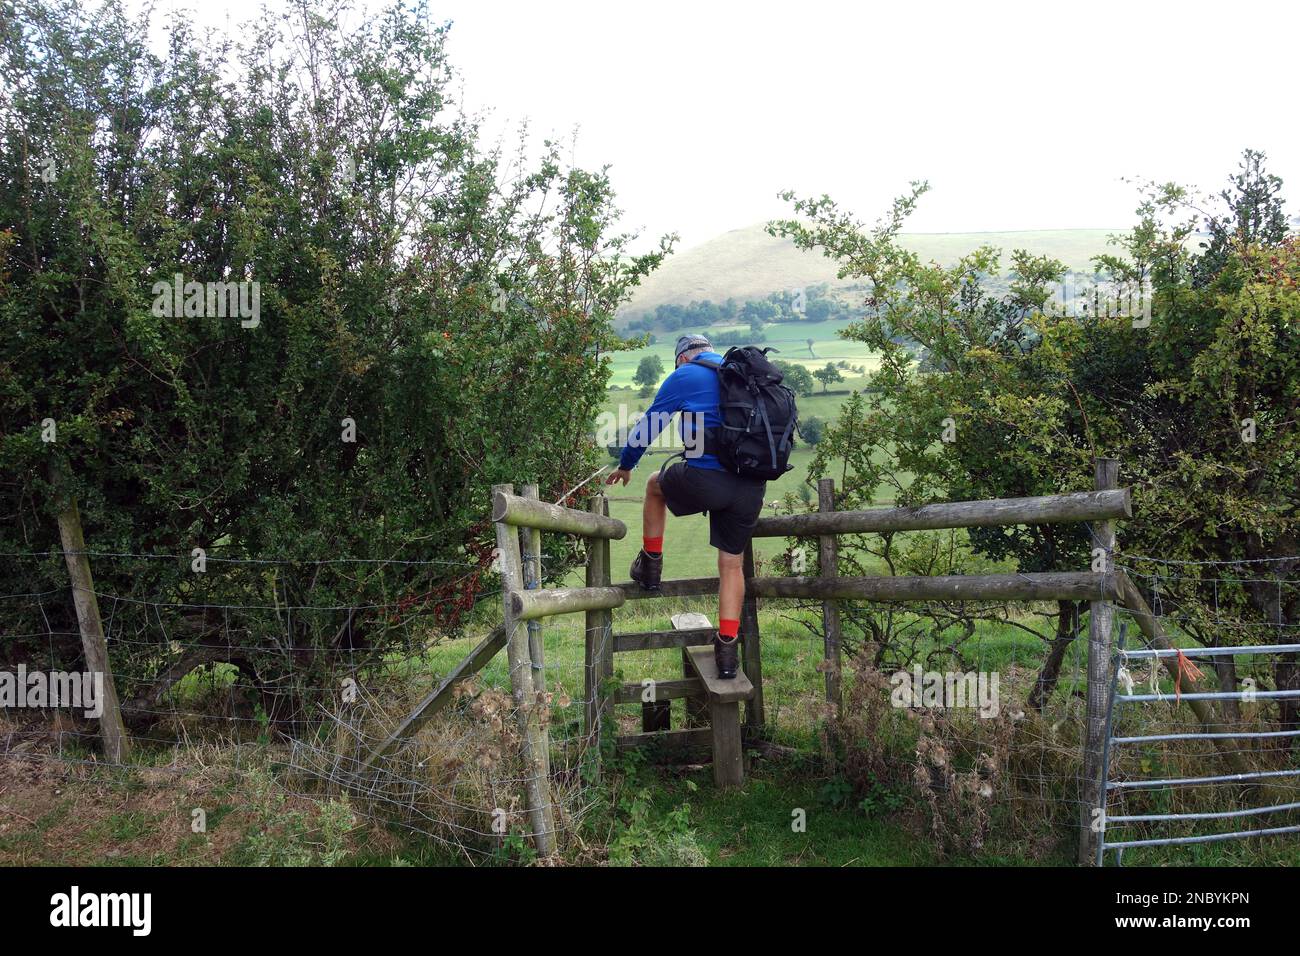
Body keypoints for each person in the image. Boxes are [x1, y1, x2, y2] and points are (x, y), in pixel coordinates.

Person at [605, 334, 767, 679]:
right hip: (751, 486)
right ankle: (726, 653)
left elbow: (650, 424)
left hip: (705, 480)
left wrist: (626, 464)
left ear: (681, 358)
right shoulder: (746, 374)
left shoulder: (685, 375)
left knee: (654, 486)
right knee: (731, 566)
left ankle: (651, 567)